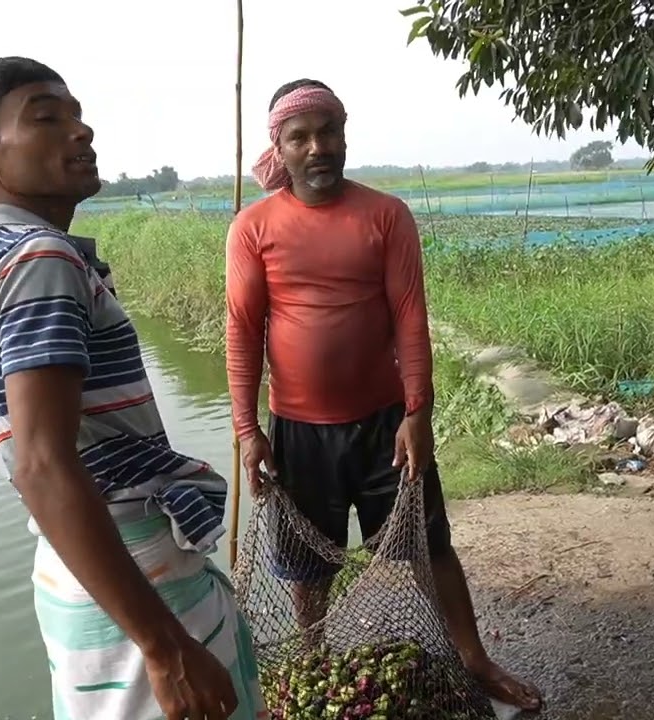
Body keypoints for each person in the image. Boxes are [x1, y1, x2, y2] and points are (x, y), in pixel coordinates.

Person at [0, 57, 263, 720]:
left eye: (78, 115)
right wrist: (165, 648)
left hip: (80, 566)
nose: (80, 132)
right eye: (46, 118)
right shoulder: (39, 258)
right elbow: (41, 462)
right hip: (132, 567)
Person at [225, 78, 543, 713]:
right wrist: (246, 429)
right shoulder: (253, 226)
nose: (317, 147)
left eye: (328, 132)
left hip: (383, 425)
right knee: (305, 569)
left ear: (345, 136)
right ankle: (309, 670)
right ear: (279, 148)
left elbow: (409, 317)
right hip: (297, 431)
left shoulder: (385, 213)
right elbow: (242, 327)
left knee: (430, 545)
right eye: (300, 137)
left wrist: (417, 413)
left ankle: (474, 660)